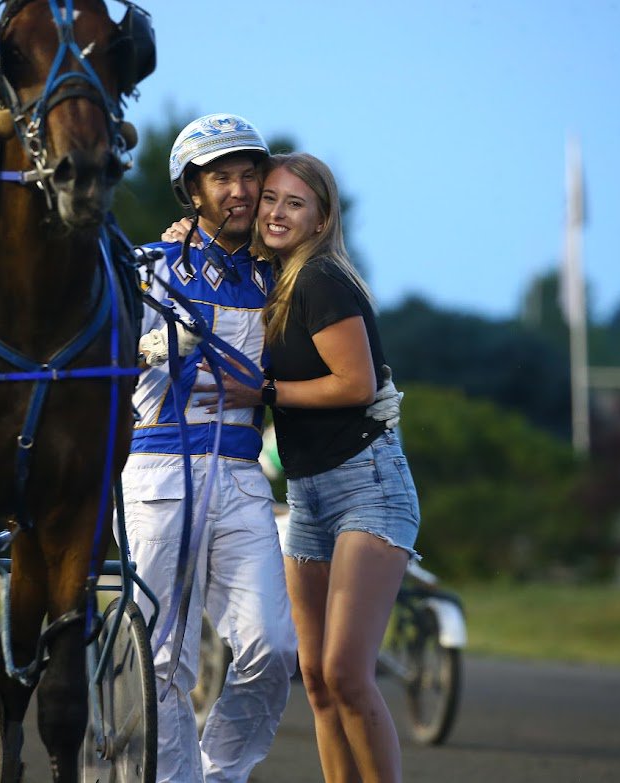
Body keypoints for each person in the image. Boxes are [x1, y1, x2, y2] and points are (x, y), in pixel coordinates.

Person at [195, 152, 421, 783]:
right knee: (316, 678)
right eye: (269, 198)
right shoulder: (272, 277)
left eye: (294, 203)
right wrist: (185, 232)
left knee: (346, 672)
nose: (275, 212)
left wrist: (264, 393)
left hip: (367, 487)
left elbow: (356, 384)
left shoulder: (321, 279)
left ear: (321, 220)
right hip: (307, 495)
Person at [122, 113, 297, 783]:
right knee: (163, 658)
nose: (240, 190)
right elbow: (102, 361)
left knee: (272, 648)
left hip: (242, 476)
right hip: (159, 471)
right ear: (191, 191)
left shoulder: (279, 275)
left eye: (250, 175)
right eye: (222, 177)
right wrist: (151, 349)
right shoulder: (148, 266)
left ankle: (219, 774)